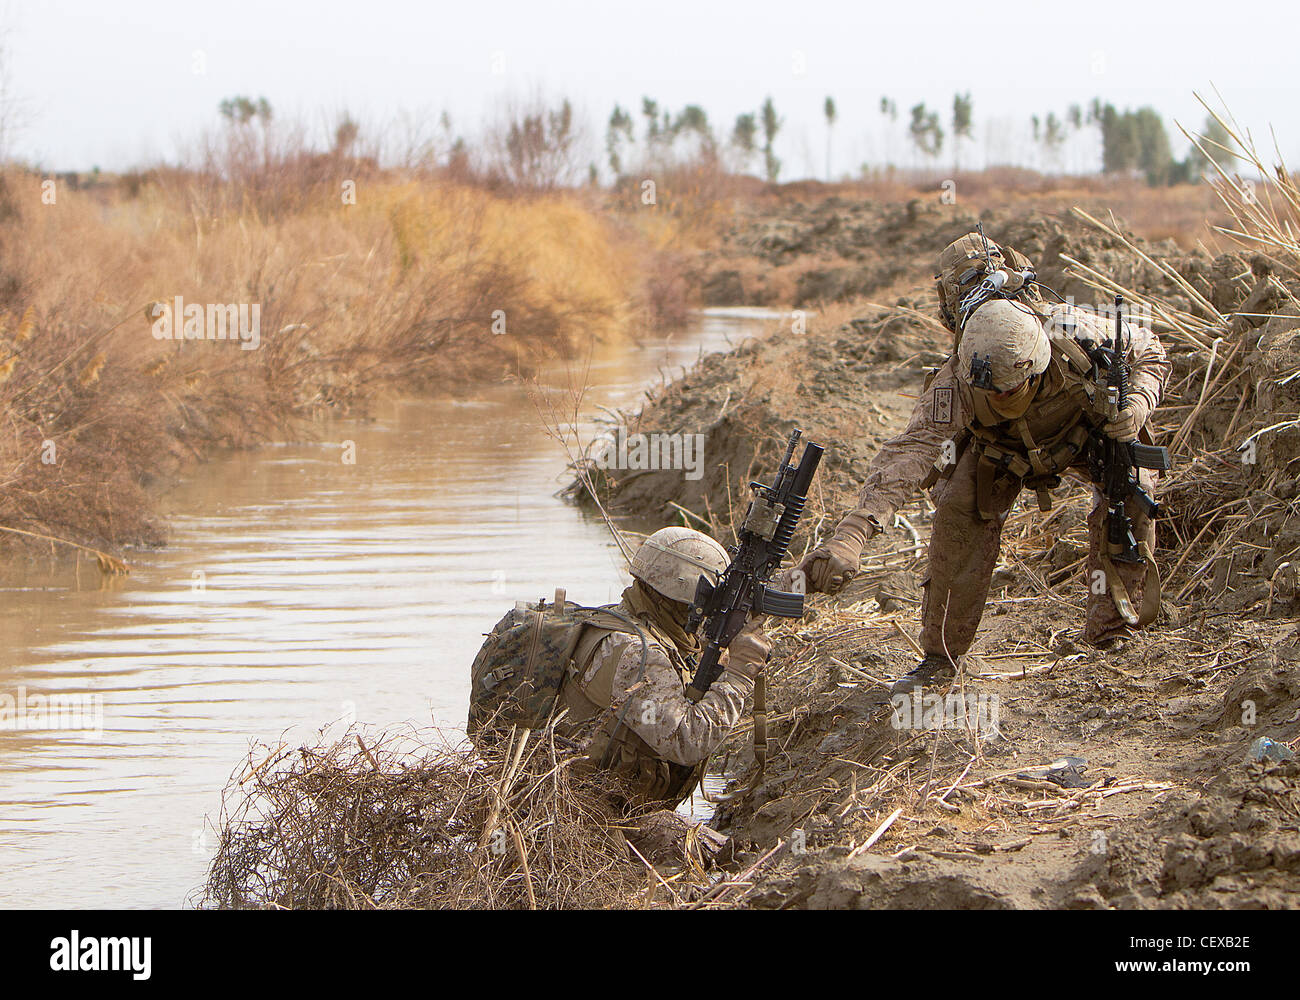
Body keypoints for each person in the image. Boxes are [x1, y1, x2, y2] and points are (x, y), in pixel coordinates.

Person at [799, 233, 1172, 695]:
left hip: (1082, 433)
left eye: (1012, 389)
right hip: (1001, 453)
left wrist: (1137, 402)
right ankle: (940, 658)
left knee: (1131, 493)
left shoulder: (1072, 331)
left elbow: (1151, 350)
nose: (1002, 397)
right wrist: (854, 533)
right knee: (957, 512)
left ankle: (1114, 634)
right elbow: (911, 451)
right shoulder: (954, 380)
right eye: (992, 392)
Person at [556, 526, 769, 810]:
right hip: (598, 813)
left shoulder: (622, 622)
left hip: (585, 796)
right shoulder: (639, 654)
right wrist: (740, 674)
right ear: (681, 598)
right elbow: (688, 740)